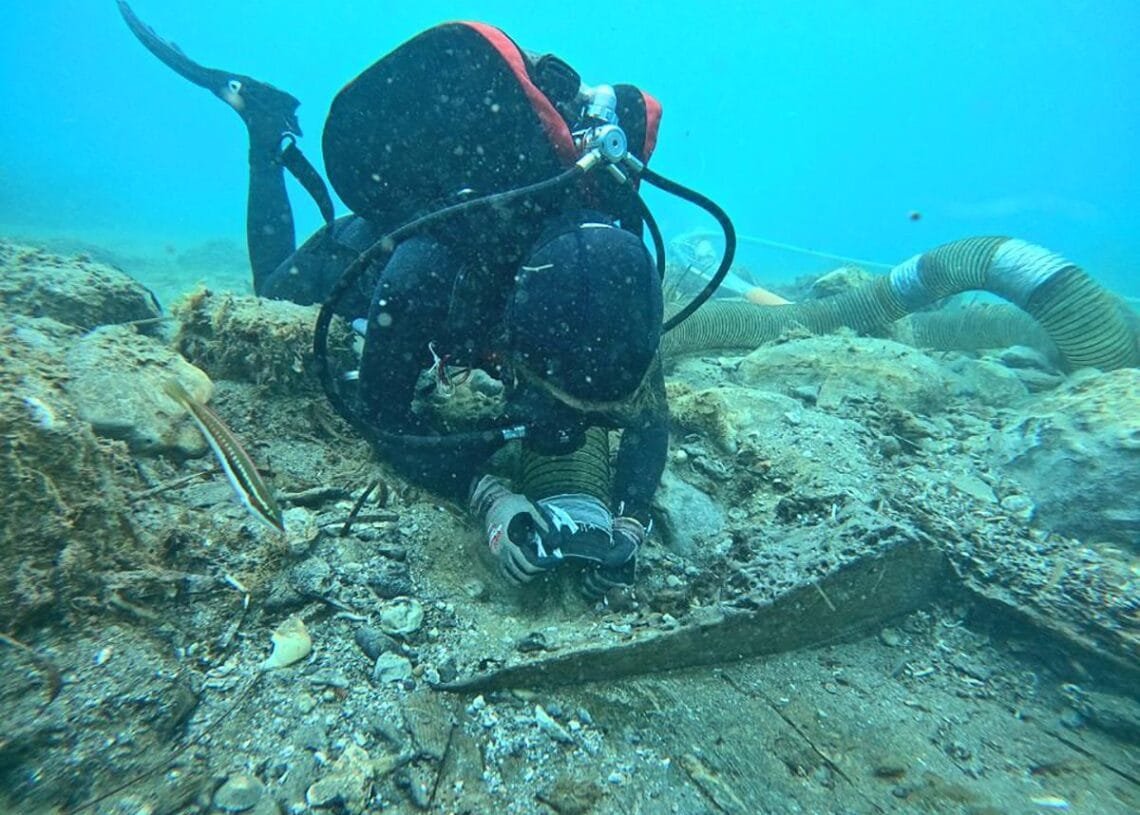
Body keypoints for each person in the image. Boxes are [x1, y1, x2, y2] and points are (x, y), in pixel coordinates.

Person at [118, 3, 673, 599]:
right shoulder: (427, 273)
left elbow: (648, 412)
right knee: (272, 292)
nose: (570, 430)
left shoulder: (609, 269)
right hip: (381, 246)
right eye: (552, 398)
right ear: (512, 332)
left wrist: (631, 520)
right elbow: (382, 416)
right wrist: (486, 495)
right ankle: (265, 133)